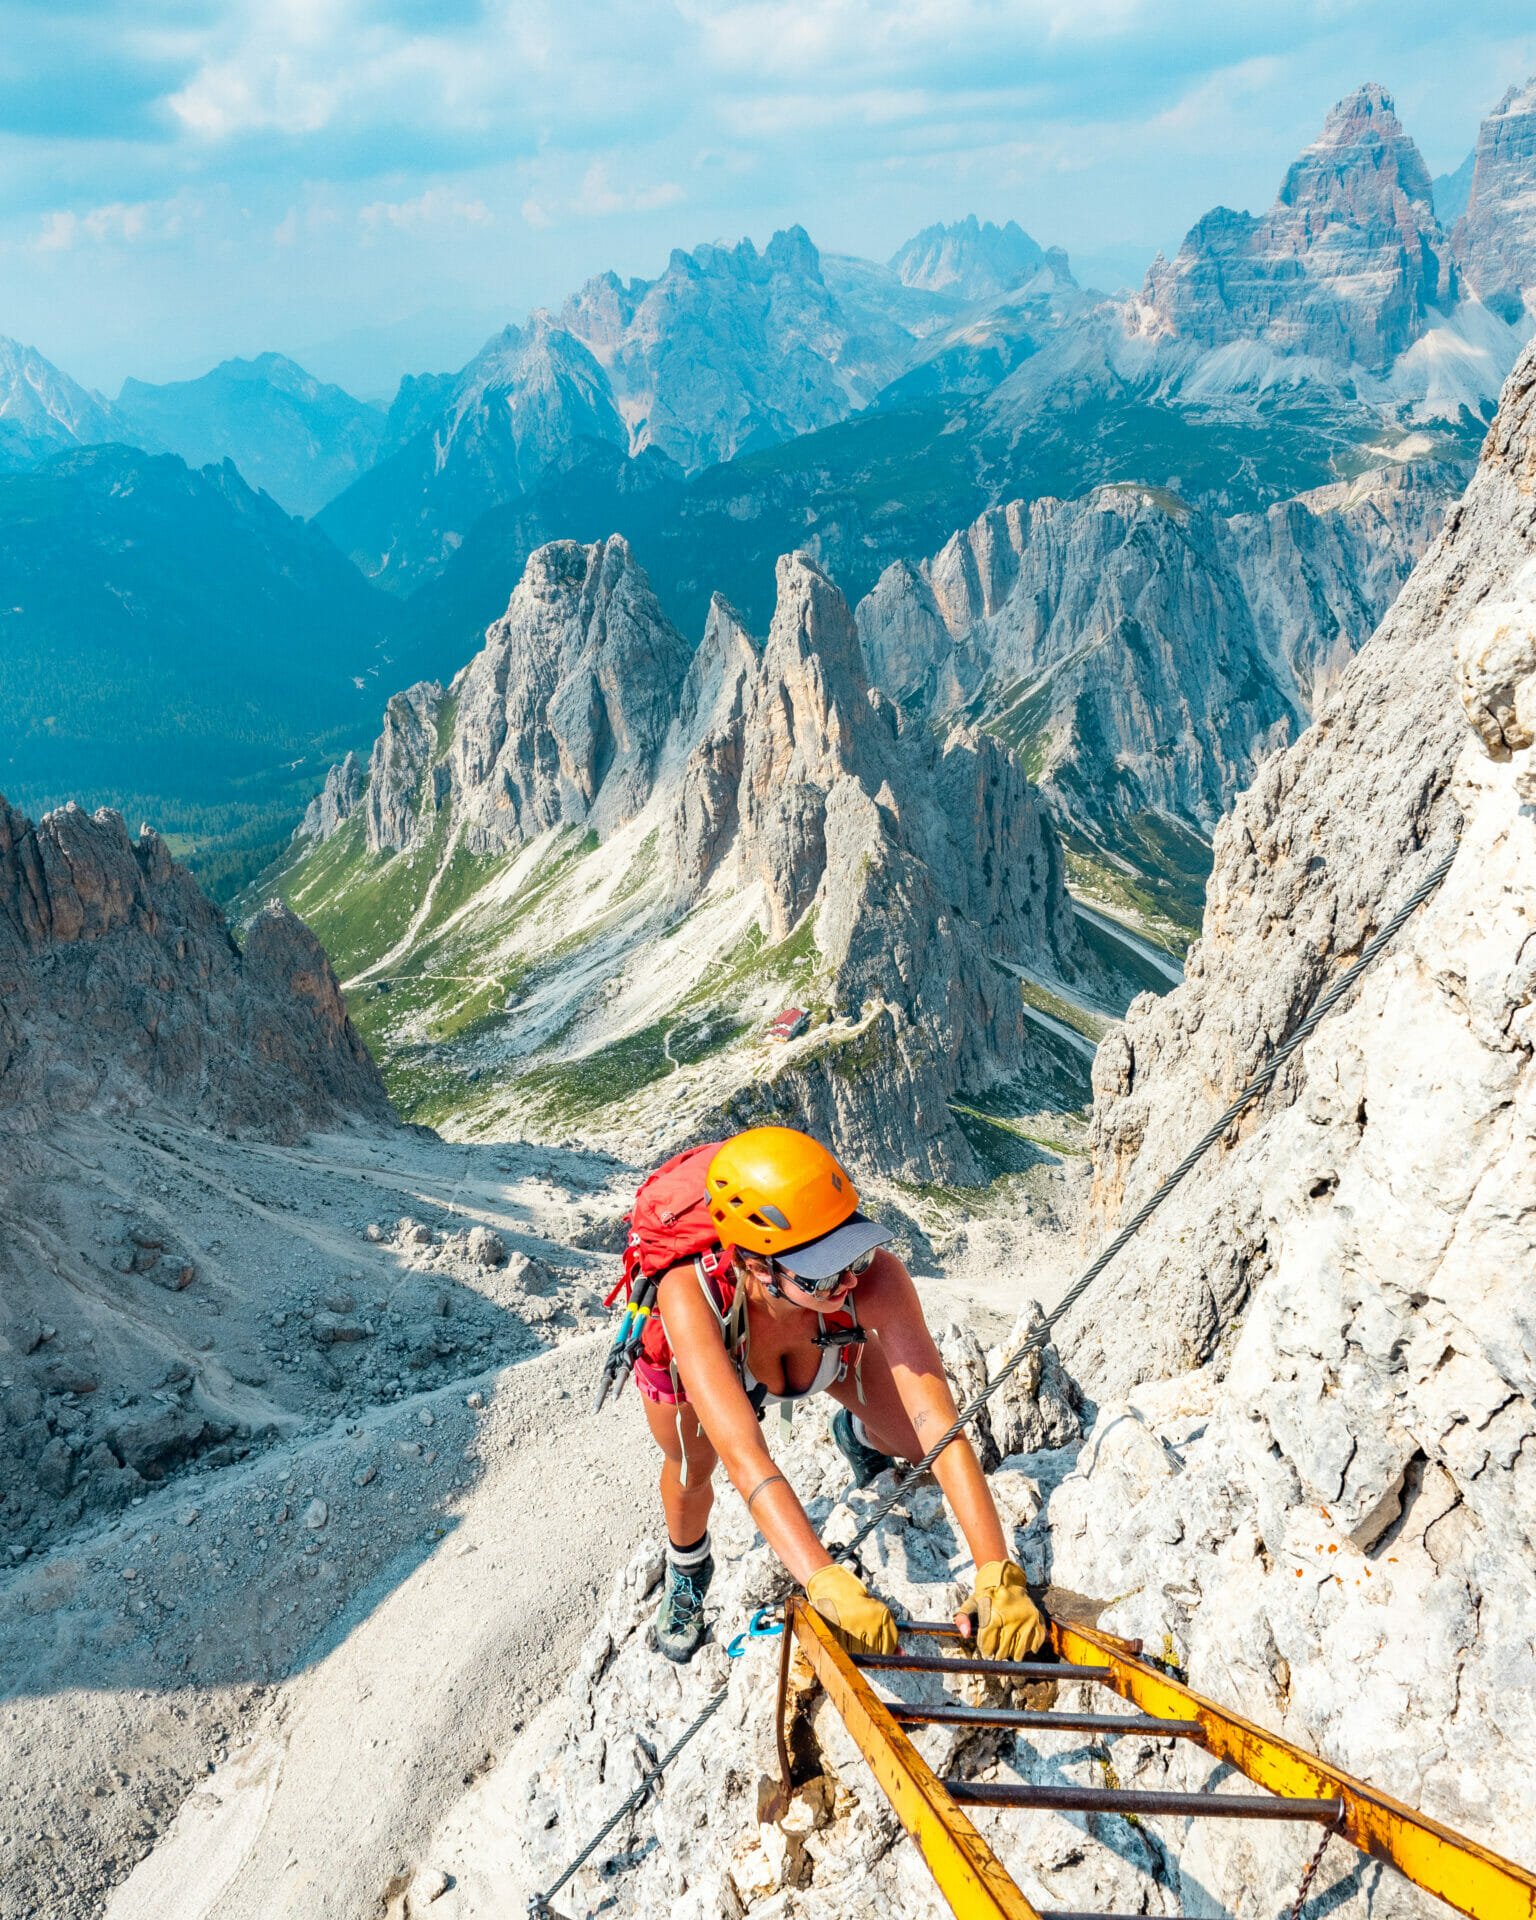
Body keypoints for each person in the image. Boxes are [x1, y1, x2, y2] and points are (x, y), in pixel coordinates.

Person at [632, 1125, 1047, 1665]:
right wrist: (823, 1579)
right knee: (692, 1467)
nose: (850, 1282)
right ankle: (688, 1568)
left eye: (851, 1256)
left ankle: (854, 1431)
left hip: (825, 1342)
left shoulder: (871, 1282)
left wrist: (996, 1569)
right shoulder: (690, 1295)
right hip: (719, 1349)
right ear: (754, 1265)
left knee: (911, 1444)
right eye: (824, 1273)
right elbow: (747, 1458)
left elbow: (937, 1424)